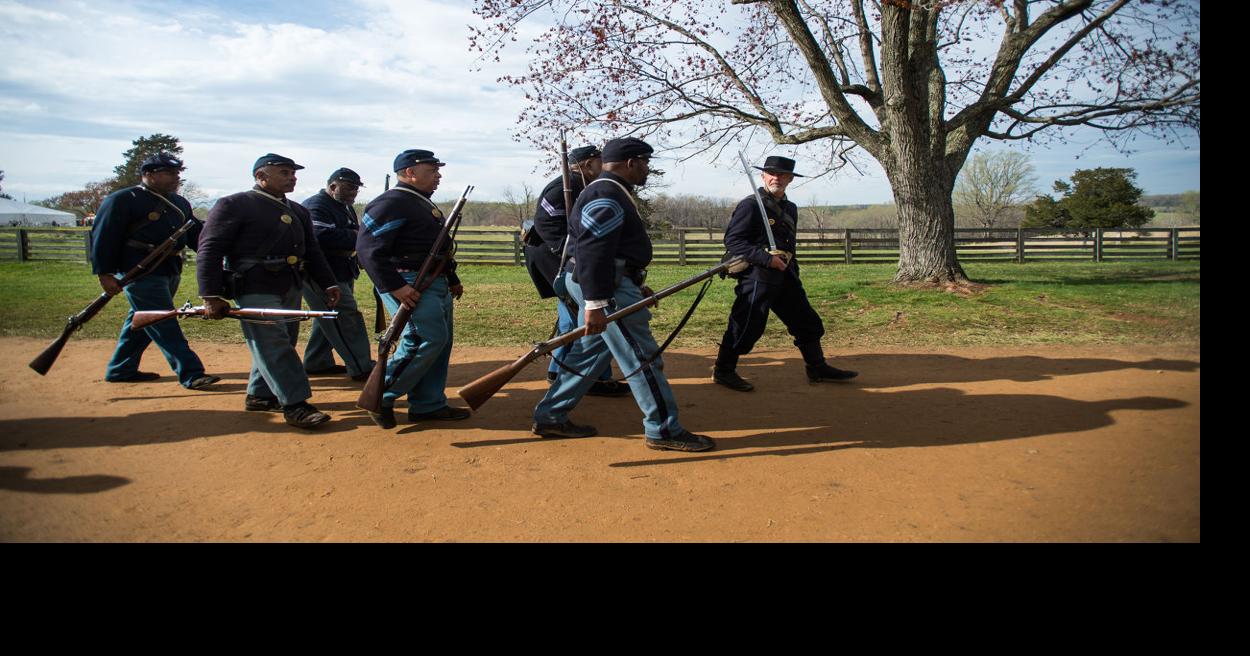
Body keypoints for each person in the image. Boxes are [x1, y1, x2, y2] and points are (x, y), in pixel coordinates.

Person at [531, 137, 715, 452]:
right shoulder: (606, 194)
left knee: (589, 353)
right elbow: (593, 252)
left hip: (610, 282)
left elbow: (608, 249)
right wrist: (596, 303)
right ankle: (663, 429)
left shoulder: (606, 190)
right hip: (606, 287)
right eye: (645, 163)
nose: (647, 169)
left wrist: (633, 280)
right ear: (631, 163)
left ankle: (550, 415)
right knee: (642, 358)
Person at [196, 153, 341, 429]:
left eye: (293, 172)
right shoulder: (235, 204)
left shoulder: (298, 211)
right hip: (254, 284)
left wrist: (328, 283)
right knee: (273, 344)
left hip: (289, 283)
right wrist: (210, 294)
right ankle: (296, 404)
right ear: (261, 176)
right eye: (284, 172)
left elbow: (312, 251)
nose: (292, 177)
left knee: (280, 341)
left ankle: (260, 395)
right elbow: (210, 249)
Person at [712, 155, 858, 392]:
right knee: (747, 324)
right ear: (763, 176)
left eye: (782, 175)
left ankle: (816, 366)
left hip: (786, 275)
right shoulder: (751, 205)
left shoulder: (790, 208)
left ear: (790, 179)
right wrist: (766, 259)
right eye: (771, 173)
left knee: (806, 321)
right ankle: (723, 370)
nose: (776, 178)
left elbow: (789, 244)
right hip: (758, 277)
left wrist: (789, 266)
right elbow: (734, 241)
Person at [356, 149, 470, 430]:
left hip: (433, 280)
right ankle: (382, 395)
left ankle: (428, 404)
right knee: (425, 339)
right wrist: (396, 287)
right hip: (408, 282)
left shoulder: (418, 202)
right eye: (431, 170)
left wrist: (451, 277)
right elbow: (368, 249)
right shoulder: (391, 203)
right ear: (410, 172)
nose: (438, 175)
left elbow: (436, 248)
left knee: (440, 342)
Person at [91, 152, 220, 390]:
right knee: (164, 322)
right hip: (138, 271)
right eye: (169, 173)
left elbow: (195, 235)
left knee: (144, 320)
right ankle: (191, 373)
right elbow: (104, 236)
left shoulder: (180, 203)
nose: (176, 178)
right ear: (148, 174)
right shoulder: (123, 199)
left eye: (177, 174)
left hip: (169, 269)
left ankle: (121, 369)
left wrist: (217, 254)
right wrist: (105, 273)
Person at [523, 145, 627, 397]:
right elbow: (545, 223)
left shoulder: (583, 185)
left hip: (566, 255)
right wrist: (569, 251)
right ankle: (584, 376)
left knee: (573, 314)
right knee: (582, 312)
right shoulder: (562, 187)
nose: (604, 164)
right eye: (599, 161)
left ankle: (564, 371)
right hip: (552, 255)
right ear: (588, 163)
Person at [300, 167, 374, 381]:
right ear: (333, 186)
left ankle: (317, 361)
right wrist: (357, 236)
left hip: (340, 268)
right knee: (345, 315)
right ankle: (362, 366)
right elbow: (320, 236)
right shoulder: (317, 205)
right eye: (350, 188)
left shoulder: (344, 207)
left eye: (356, 189)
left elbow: (353, 234)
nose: (354, 193)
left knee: (327, 317)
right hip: (321, 271)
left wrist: (355, 237)